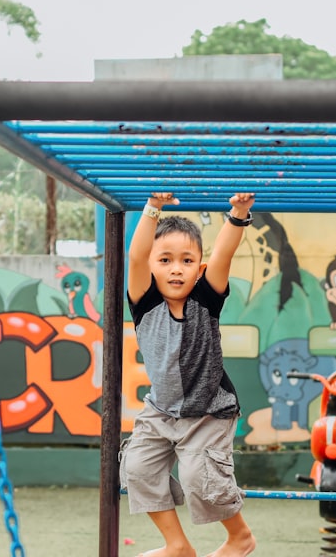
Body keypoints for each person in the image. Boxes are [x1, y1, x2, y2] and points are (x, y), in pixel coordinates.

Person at [120, 191, 257, 557]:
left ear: (199, 268)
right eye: (165, 260)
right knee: (137, 467)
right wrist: (153, 208)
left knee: (199, 475)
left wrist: (238, 214)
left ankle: (240, 537)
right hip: (161, 410)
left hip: (209, 411)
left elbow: (223, 254)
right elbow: (136, 255)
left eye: (186, 260)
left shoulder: (206, 299)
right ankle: (177, 544)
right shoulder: (144, 302)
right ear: (152, 267)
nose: (176, 269)